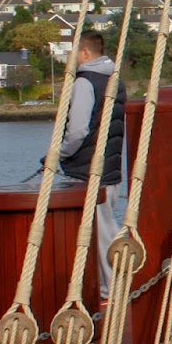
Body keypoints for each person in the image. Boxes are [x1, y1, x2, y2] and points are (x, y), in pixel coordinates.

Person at [57, 29, 126, 302]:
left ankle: (112, 289)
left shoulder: (84, 83)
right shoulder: (114, 81)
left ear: (84, 53)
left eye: (73, 53)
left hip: (89, 169)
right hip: (110, 167)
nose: (70, 59)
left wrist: (58, 153)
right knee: (105, 225)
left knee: (99, 231)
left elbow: (77, 131)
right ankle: (110, 284)